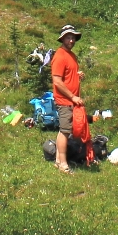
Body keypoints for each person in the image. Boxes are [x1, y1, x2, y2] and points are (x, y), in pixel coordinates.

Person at [50, 24, 84, 172]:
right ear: (62, 39)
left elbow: (68, 75)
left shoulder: (72, 56)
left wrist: (78, 75)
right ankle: (63, 164)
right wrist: (72, 97)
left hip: (71, 100)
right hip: (65, 100)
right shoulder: (60, 56)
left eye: (73, 38)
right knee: (65, 131)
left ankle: (58, 160)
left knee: (64, 130)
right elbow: (57, 81)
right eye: (68, 37)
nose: (71, 40)